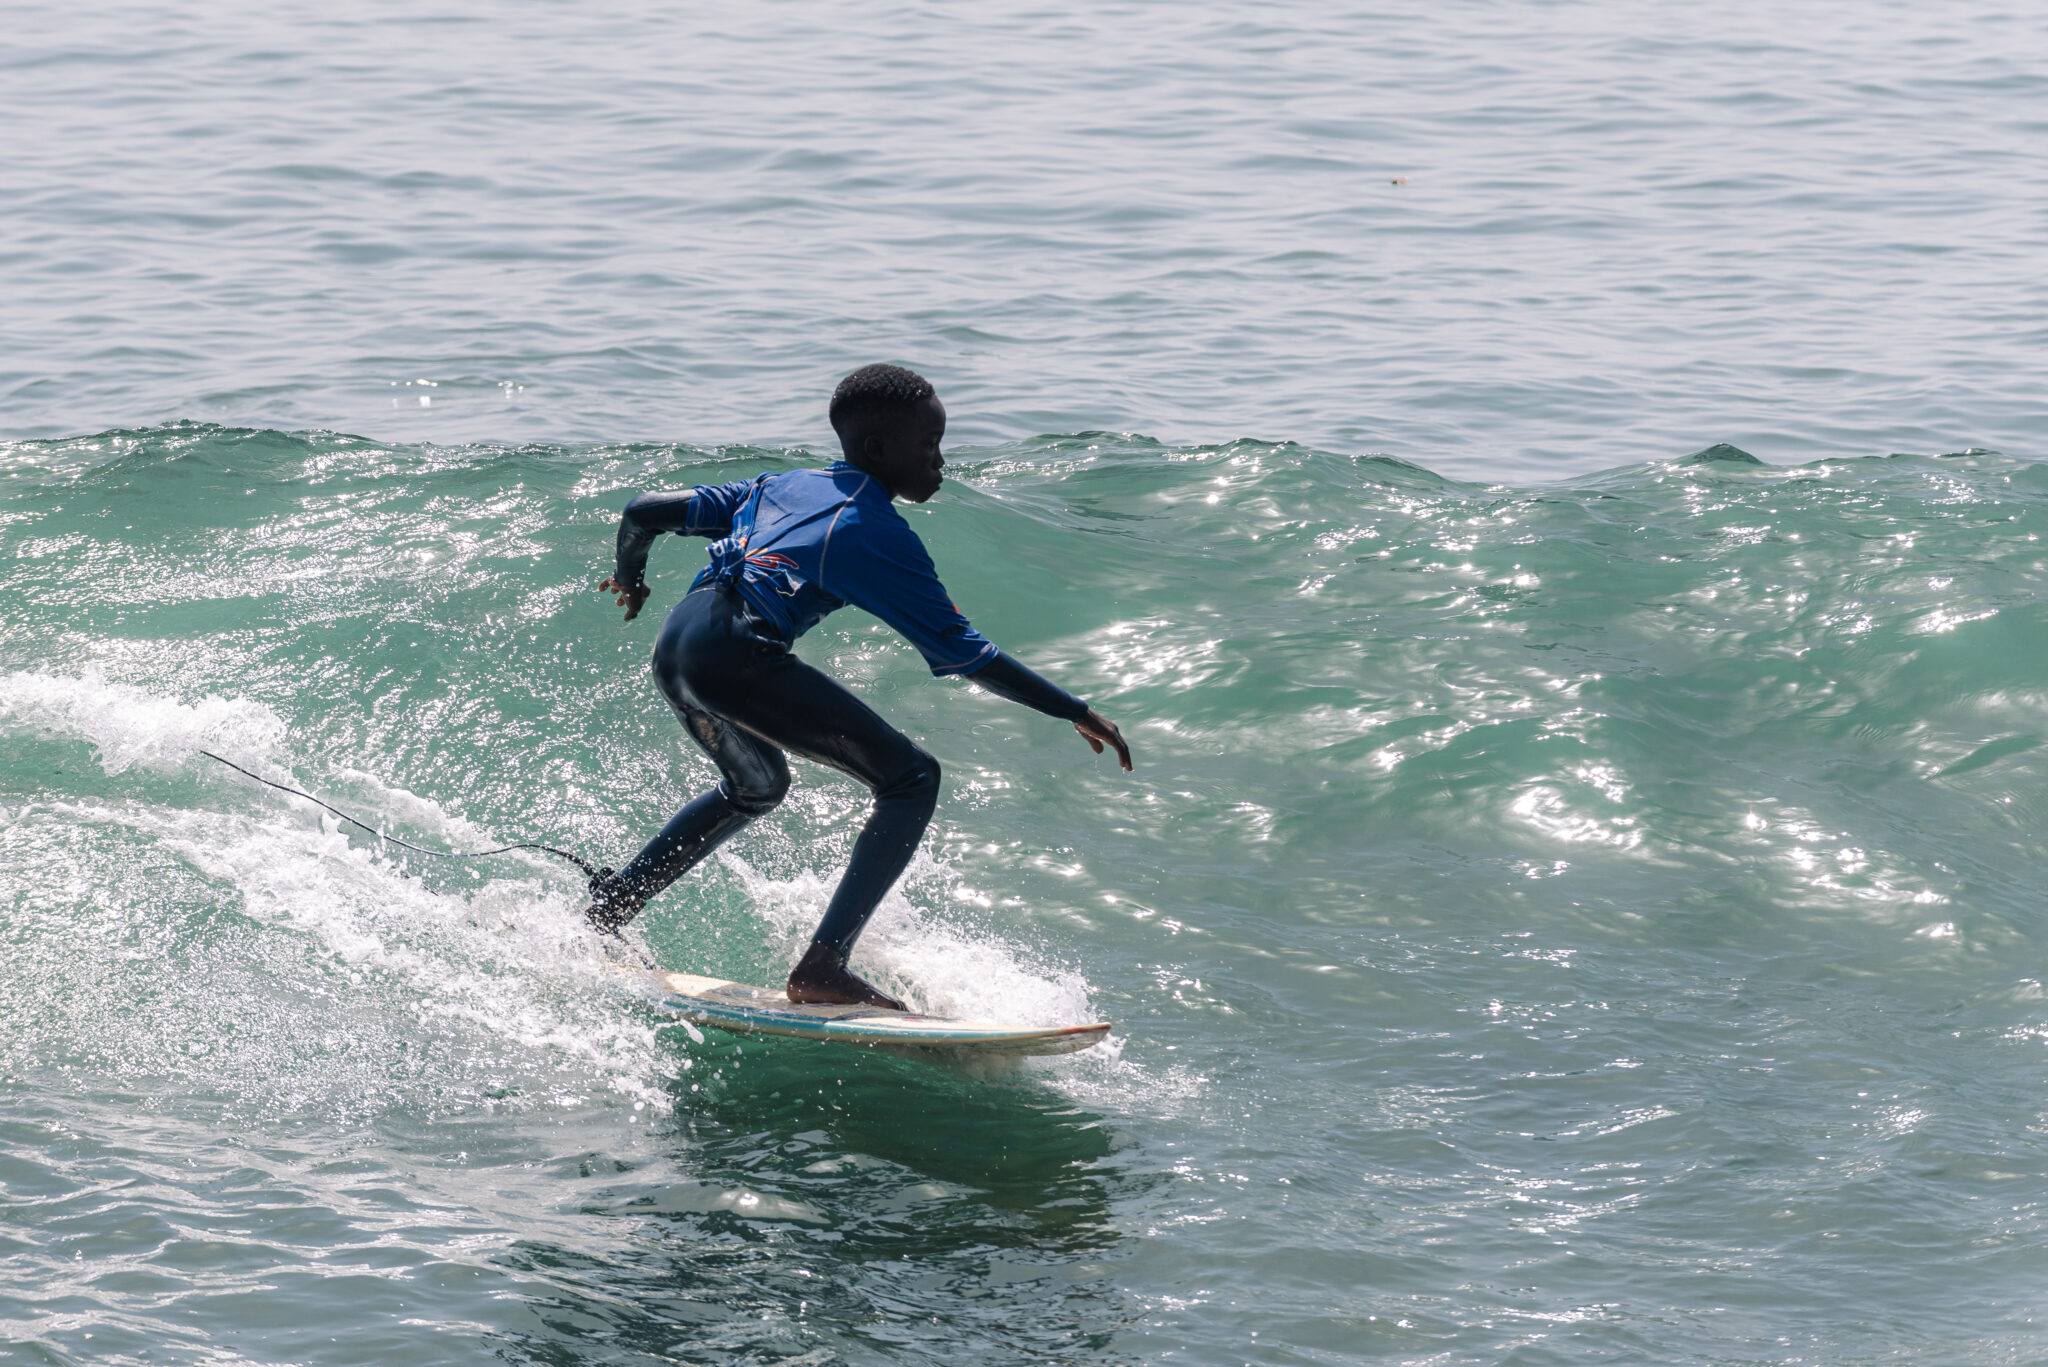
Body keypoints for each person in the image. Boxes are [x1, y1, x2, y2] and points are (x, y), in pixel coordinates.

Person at [586, 363, 1133, 1010]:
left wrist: (632, 577)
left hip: (678, 647)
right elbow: (967, 654)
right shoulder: (872, 530)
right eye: (929, 444)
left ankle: (614, 902)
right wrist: (1074, 708)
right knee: (912, 778)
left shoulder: (783, 485)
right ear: (878, 449)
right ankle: (823, 964)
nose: (940, 461)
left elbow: (643, 511)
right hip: (735, 655)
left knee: (759, 784)